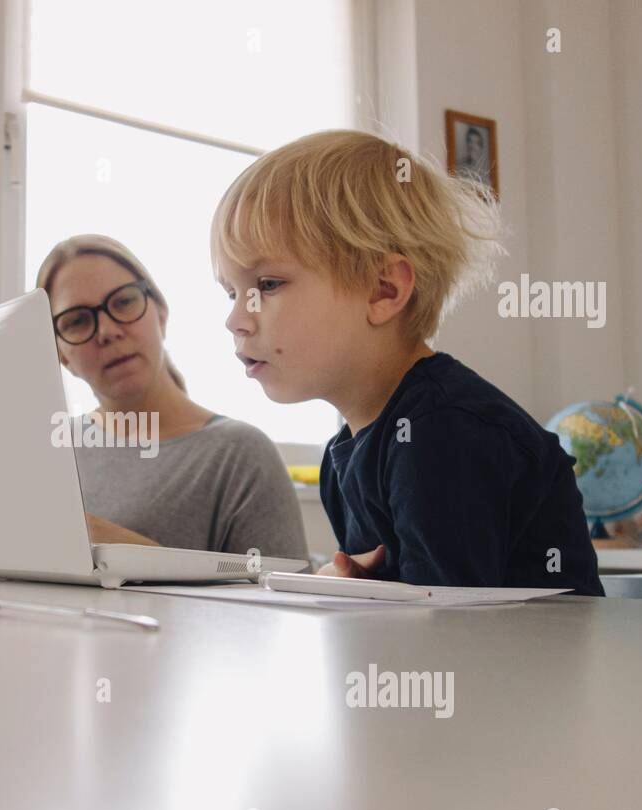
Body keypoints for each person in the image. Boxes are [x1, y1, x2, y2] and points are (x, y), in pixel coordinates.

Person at [209, 130, 604, 595]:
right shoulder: (345, 458)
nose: (236, 319)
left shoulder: (443, 432)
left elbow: (447, 633)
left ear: (384, 291)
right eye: (232, 293)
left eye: (268, 284)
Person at [36, 234, 309, 562]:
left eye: (123, 302)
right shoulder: (48, 455)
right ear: (61, 354)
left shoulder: (241, 455)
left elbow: (283, 607)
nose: (107, 331)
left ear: (160, 314)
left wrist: (138, 556)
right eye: (77, 321)